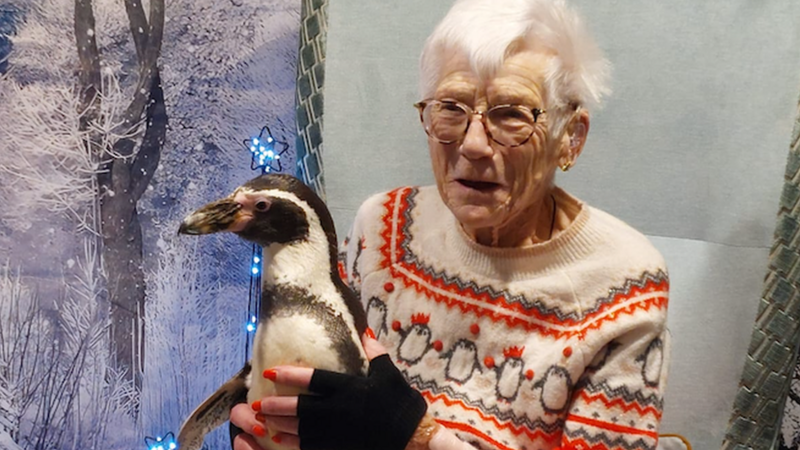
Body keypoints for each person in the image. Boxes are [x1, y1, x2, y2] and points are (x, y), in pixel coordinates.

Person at [231, 0, 670, 449]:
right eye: (451, 108)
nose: (474, 143)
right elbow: (331, 392)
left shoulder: (623, 287)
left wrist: (415, 433)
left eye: (512, 114)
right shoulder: (383, 226)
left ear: (570, 138)